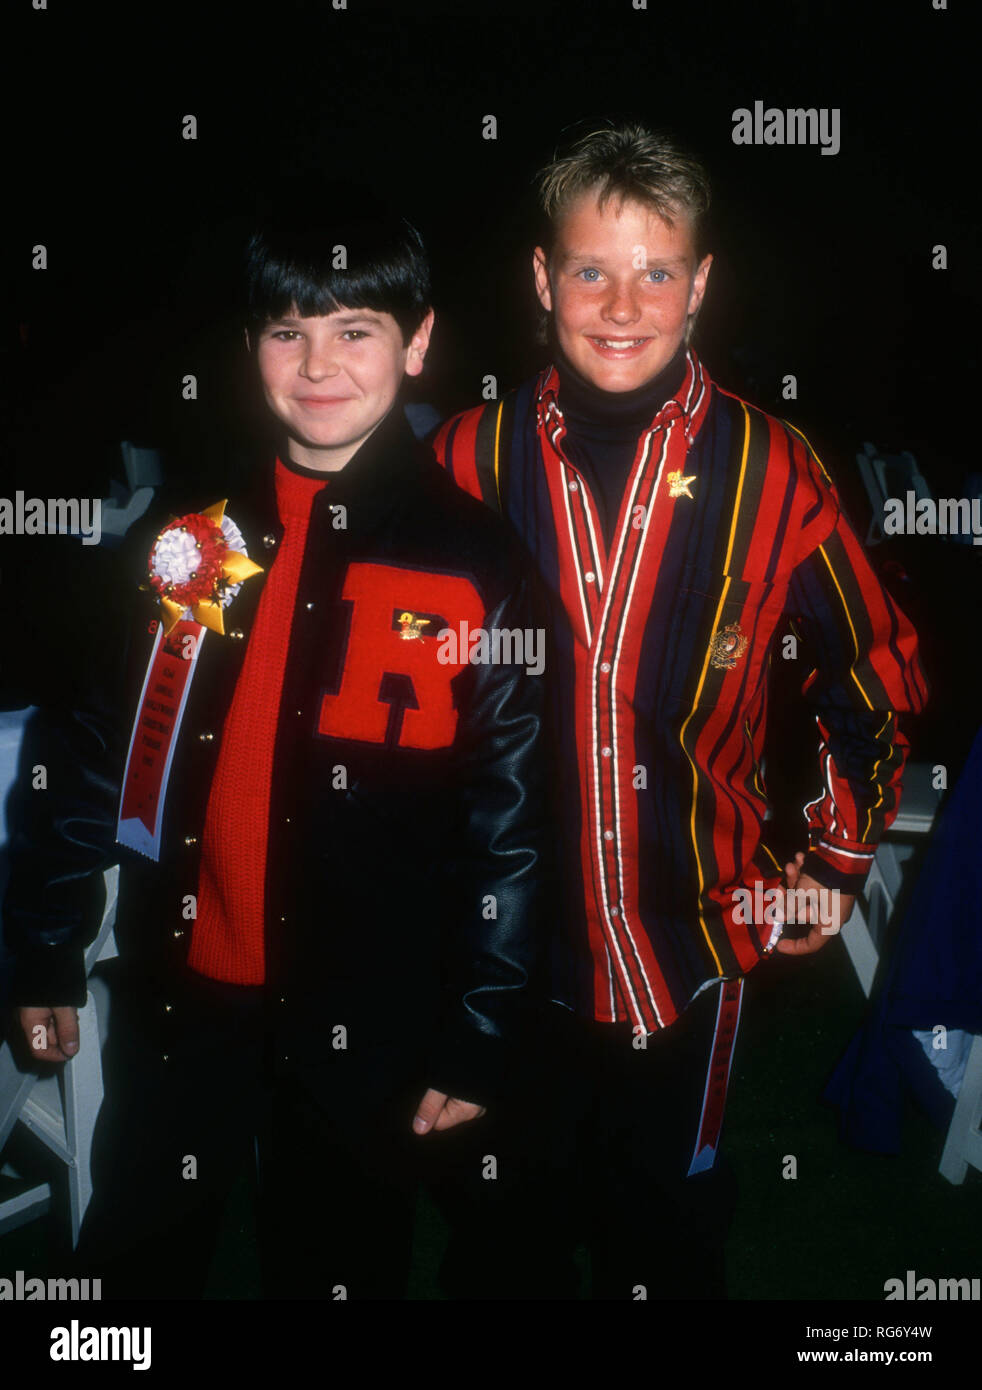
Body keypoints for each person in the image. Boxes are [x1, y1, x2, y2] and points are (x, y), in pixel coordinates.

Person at [3, 184, 547, 1299]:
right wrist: (48, 942)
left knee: (335, 1260)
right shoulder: (189, 539)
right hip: (184, 996)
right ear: (249, 346)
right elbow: (90, 745)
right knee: (131, 1266)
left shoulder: (478, 562)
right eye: (287, 331)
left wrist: (481, 1030)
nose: (318, 363)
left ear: (419, 343)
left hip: (367, 1015)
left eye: (355, 331)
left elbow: (518, 819)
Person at [432, 122, 928, 1299]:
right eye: (590, 268)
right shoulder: (464, 458)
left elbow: (874, 667)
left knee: (669, 1238)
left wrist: (836, 854)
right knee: (506, 1241)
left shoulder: (773, 468)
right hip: (502, 955)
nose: (621, 303)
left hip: (692, 942)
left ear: (700, 286)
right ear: (541, 278)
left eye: (657, 270)